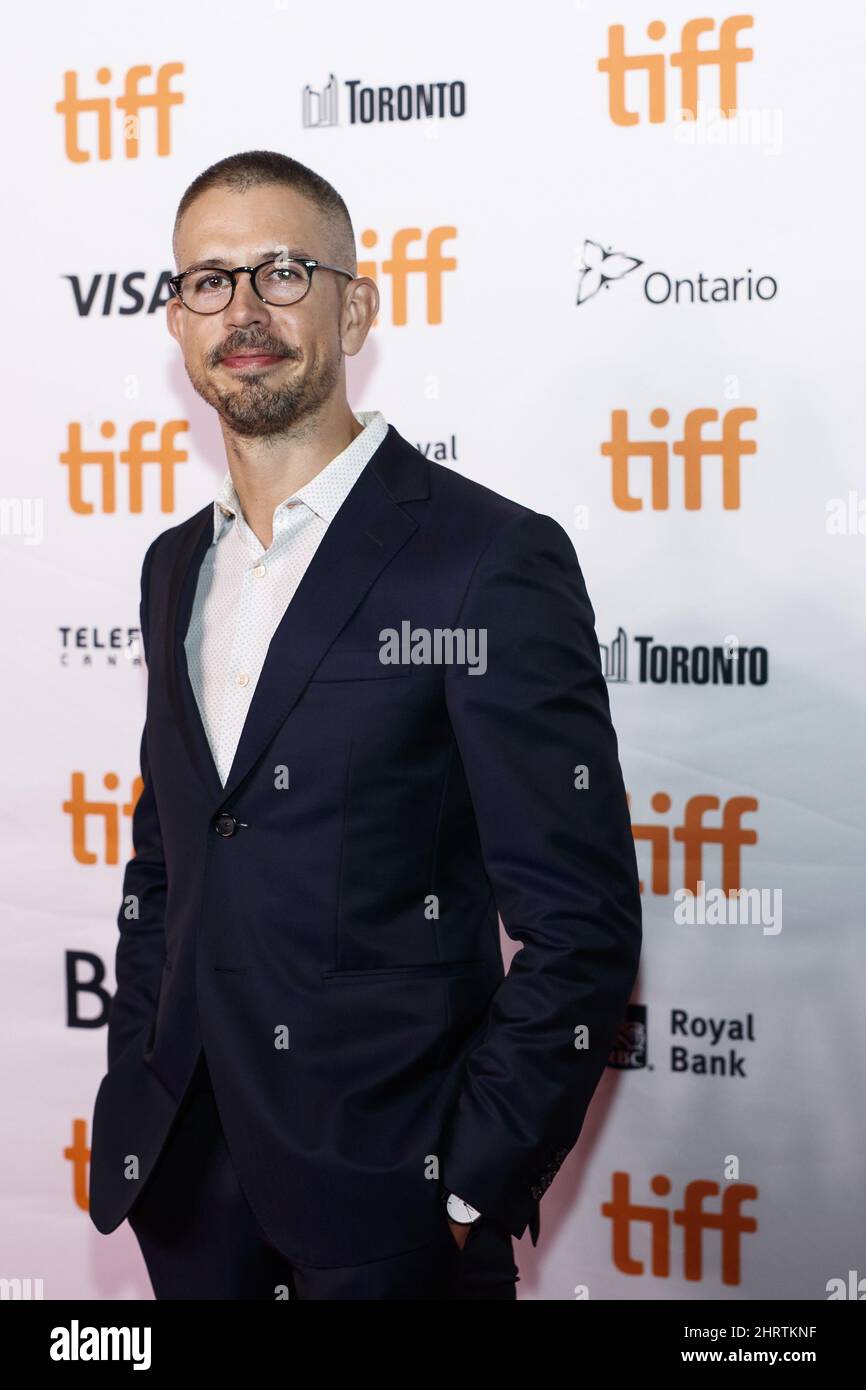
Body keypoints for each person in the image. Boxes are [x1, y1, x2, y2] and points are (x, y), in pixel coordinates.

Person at [88, 149, 642, 1300]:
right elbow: (169, 861)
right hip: (187, 1196)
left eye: (283, 272)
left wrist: (459, 1188)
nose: (242, 311)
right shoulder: (169, 568)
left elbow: (580, 927)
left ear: (356, 305)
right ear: (177, 321)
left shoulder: (483, 558)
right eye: (207, 281)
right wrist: (137, 1069)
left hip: (389, 1214)